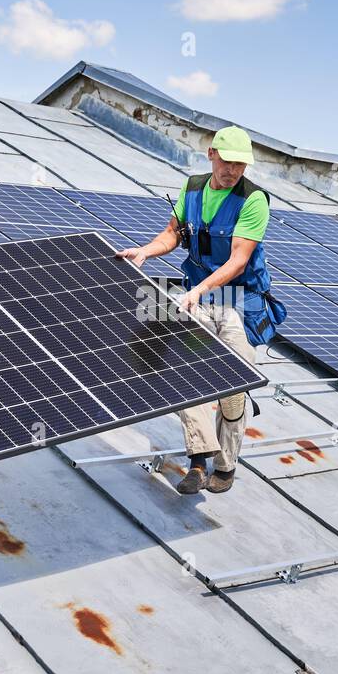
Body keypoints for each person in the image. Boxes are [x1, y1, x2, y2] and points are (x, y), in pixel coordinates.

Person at [116, 126, 274, 496]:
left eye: (241, 164)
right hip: (197, 296)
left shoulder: (254, 200)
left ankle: (226, 463)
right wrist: (146, 250)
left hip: (239, 299)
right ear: (211, 154)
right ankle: (199, 460)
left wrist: (201, 289)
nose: (233, 170)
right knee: (191, 371)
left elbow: (238, 260)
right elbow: (173, 234)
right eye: (228, 161)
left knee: (233, 385)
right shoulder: (192, 189)